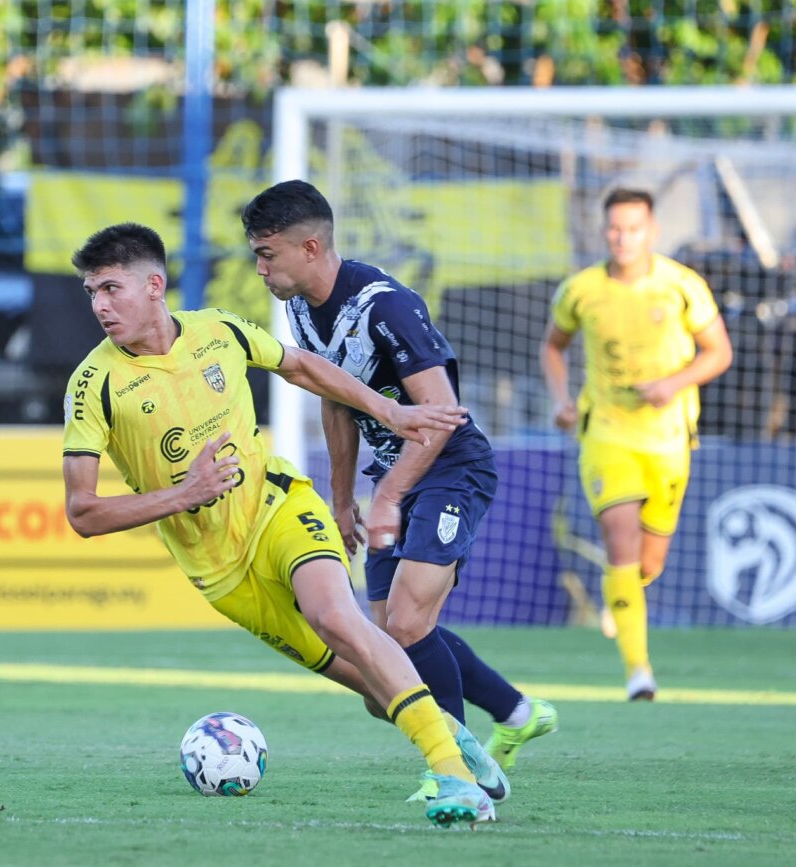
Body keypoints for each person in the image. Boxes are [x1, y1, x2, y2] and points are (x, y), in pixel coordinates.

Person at [62, 223, 502, 828]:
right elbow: (83, 513)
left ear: (154, 286)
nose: (100, 306)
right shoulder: (93, 385)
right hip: (220, 572)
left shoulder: (218, 330)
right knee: (370, 686)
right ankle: (457, 737)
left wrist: (387, 409)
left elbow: (301, 367)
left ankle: (455, 777)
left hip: (277, 507)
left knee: (339, 619)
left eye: (111, 288)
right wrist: (186, 494)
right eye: (92, 292)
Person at [240, 181, 557, 780]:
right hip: (396, 476)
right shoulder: (301, 308)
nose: (260, 269)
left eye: (267, 254)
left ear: (310, 248)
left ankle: (462, 776)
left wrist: (387, 496)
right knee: (384, 660)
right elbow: (335, 400)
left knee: (407, 627)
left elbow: (442, 413)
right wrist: (341, 500)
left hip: (450, 466)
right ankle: (517, 712)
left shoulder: (385, 306)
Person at [540, 188, 733, 700]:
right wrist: (561, 400)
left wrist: (673, 384)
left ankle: (621, 593)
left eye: (632, 228)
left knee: (648, 564)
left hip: (669, 438)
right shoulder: (580, 289)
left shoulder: (682, 286)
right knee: (619, 538)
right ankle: (638, 671)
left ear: (652, 232)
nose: (622, 238)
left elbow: (719, 352)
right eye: (614, 228)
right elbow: (553, 346)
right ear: (603, 231)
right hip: (606, 432)